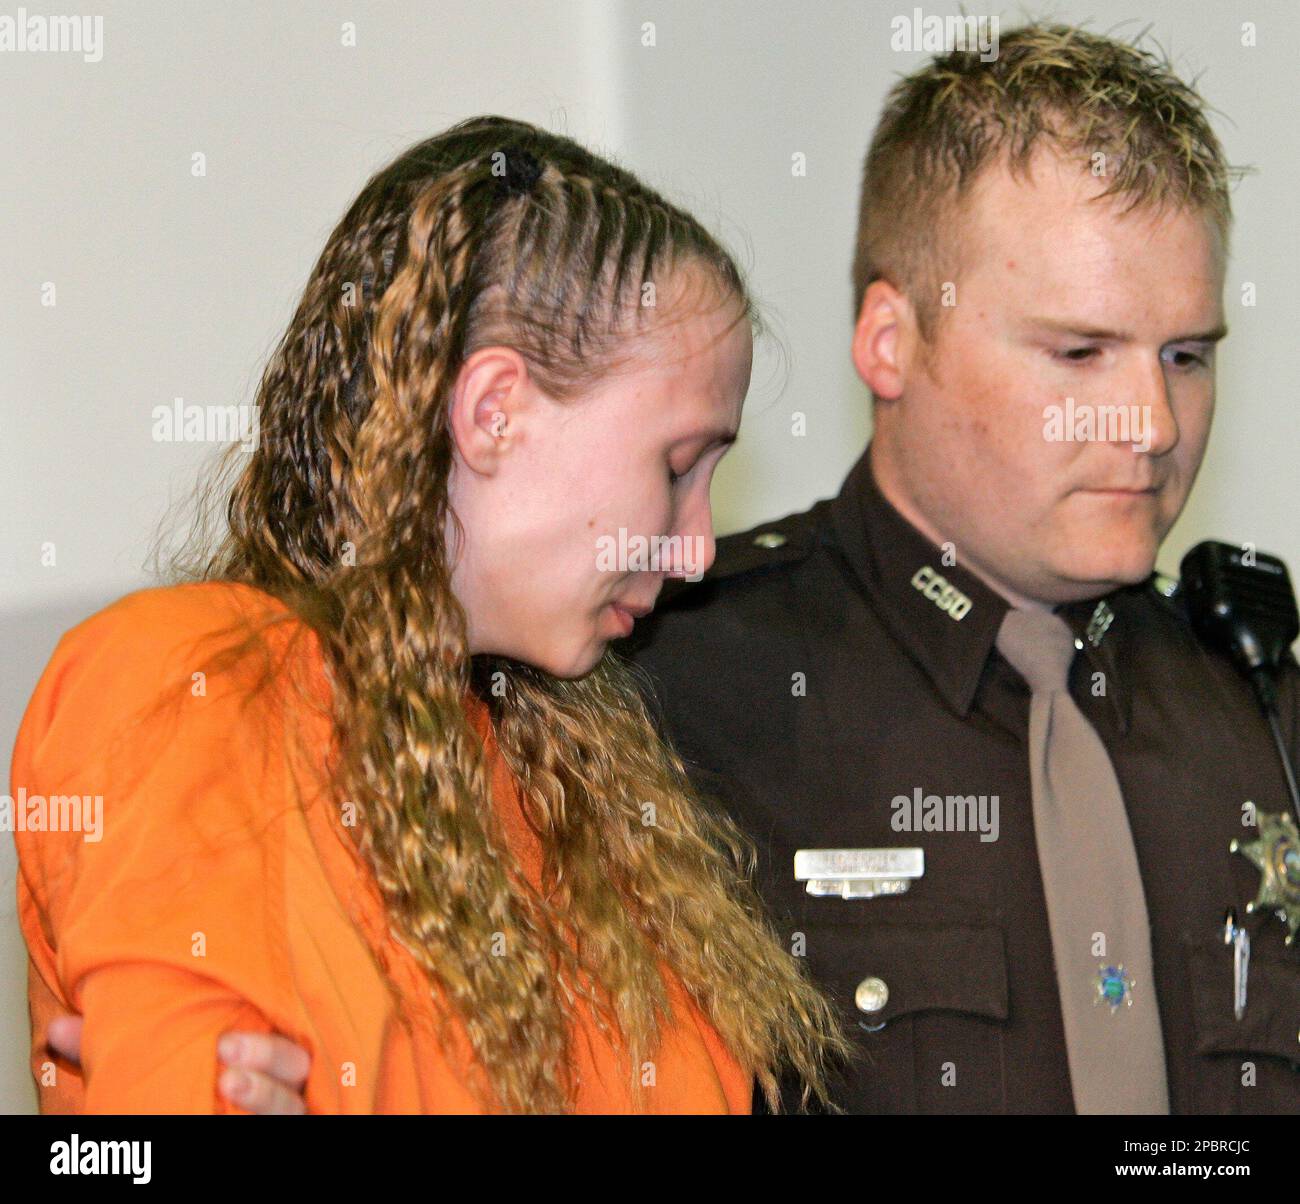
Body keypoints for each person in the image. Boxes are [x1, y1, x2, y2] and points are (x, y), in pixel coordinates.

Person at [12, 115, 846, 1114]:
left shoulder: (571, 772)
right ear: (494, 411)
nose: (698, 547)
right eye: (675, 467)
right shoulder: (191, 684)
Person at [624, 24, 1299, 1113]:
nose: (1151, 424)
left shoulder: (1262, 706)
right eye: (1078, 353)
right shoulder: (673, 697)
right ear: (891, 341)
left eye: (1185, 355)